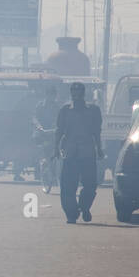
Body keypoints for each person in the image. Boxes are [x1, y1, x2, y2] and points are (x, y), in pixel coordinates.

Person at [56, 81, 104, 223]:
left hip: (88, 153)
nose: (76, 95)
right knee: (67, 187)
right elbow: (59, 131)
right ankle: (71, 214)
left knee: (90, 185)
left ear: (84, 94)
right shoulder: (65, 110)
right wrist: (55, 148)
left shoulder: (94, 110)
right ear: (71, 94)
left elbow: (97, 132)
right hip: (70, 154)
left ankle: (84, 207)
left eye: (79, 93)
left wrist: (100, 149)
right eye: (74, 92)